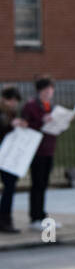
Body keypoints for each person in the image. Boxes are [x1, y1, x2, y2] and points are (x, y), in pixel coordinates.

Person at [20, 77, 59, 231]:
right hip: (36, 150)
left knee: (43, 184)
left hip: (49, 148)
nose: (48, 93)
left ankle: (41, 214)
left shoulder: (52, 106)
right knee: (37, 184)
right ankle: (34, 217)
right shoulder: (30, 106)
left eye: (50, 90)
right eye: (45, 90)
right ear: (39, 91)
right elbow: (25, 127)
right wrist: (42, 122)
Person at [0, 87, 24, 233]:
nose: (13, 103)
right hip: (2, 154)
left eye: (16, 101)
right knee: (8, 187)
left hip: (9, 156)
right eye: (11, 100)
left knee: (10, 187)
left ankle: (5, 219)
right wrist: (10, 127)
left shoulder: (12, 113)